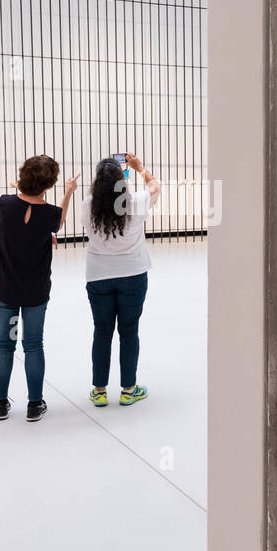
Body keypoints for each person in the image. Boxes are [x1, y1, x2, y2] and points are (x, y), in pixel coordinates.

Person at [0, 155, 78, 422]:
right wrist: (69, 192)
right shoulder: (49, 215)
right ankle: (34, 405)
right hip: (35, 291)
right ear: (49, 185)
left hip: (4, 287)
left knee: (4, 344)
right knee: (33, 345)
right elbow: (57, 222)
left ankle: (0, 404)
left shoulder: (4, 204)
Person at [80, 152, 160, 408]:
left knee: (102, 332)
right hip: (133, 275)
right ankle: (129, 389)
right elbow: (156, 187)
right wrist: (139, 168)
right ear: (121, 179)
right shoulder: (136, 200)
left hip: (99, 276)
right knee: (129, 332)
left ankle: (99, 391)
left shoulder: (88, 204)